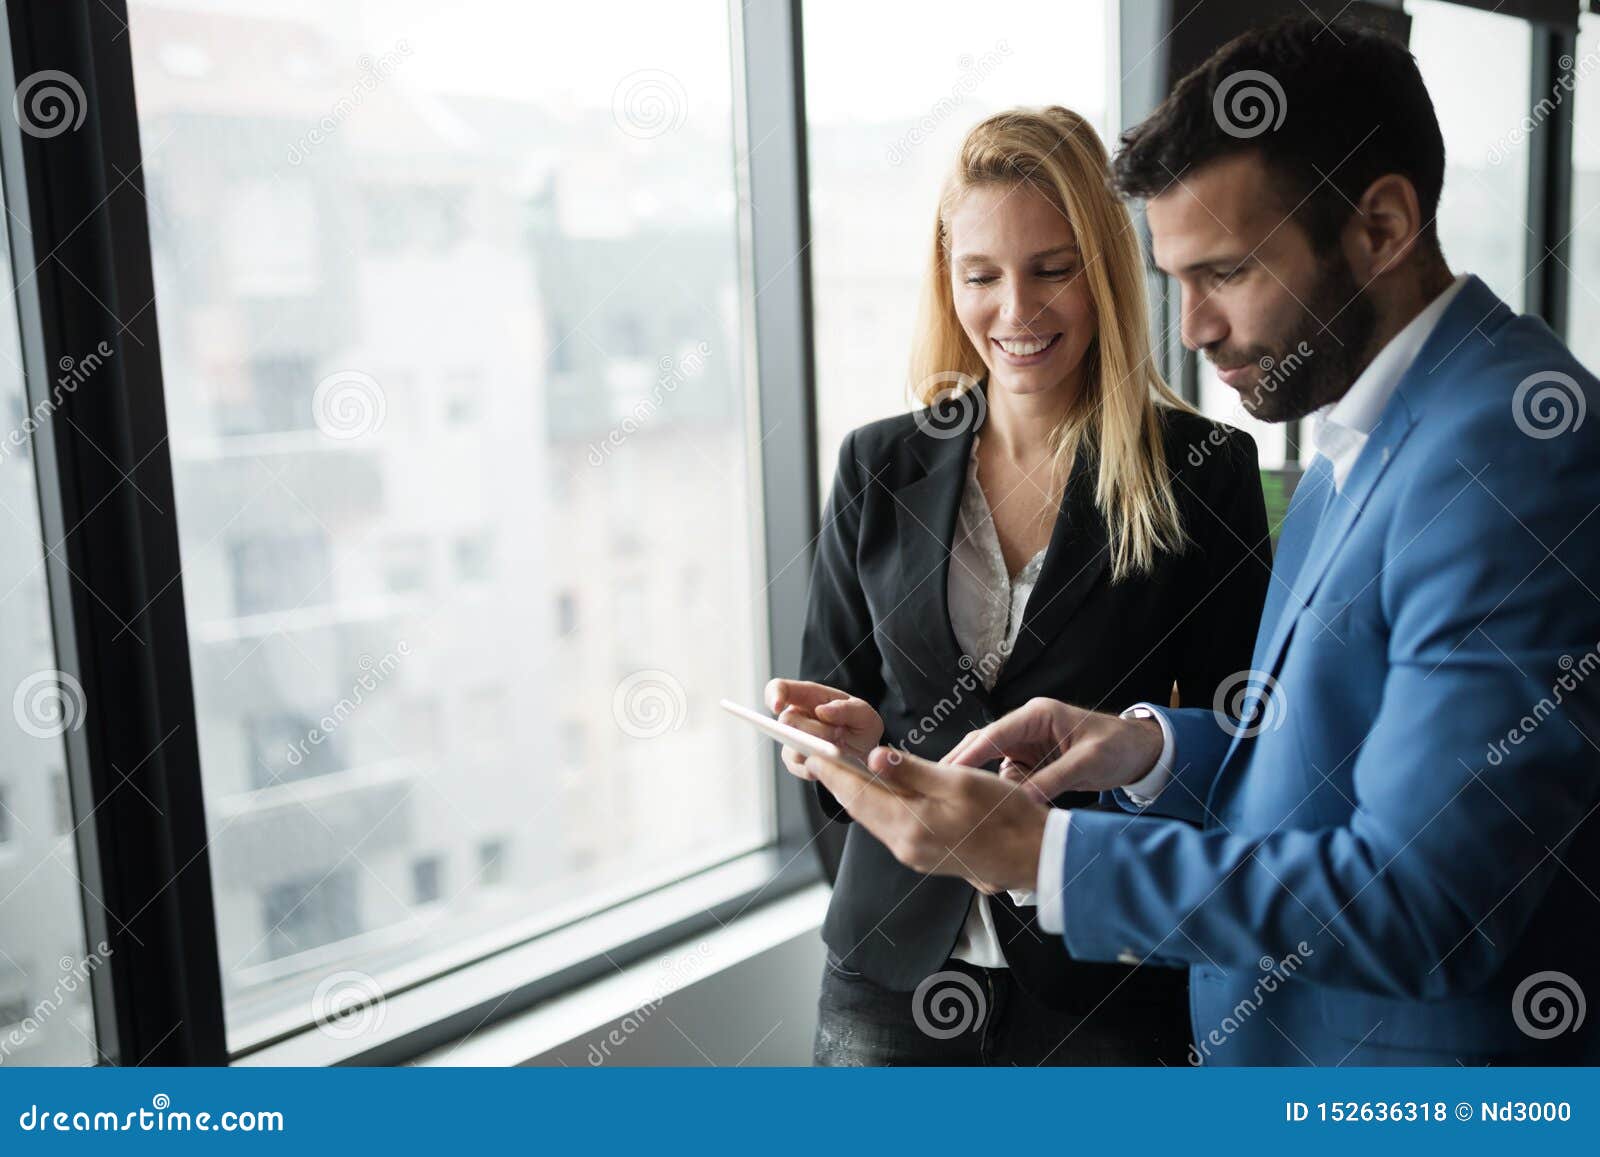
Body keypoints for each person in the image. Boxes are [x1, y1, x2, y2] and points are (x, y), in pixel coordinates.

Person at [805, 18, 1600, 1066]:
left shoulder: (1510, 452)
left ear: (1383, 224)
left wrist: (1044, 851)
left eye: (1225, 272)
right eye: (1176, 279)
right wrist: (1152, 746)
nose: (1190, 330)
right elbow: (1316, 766)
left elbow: (1426, 900)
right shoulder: (1349, 451)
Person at [768, 105, 1271, 1066]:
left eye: (1054, 268)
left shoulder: (1203, 469)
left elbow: (1237, 754)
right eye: (982, 276)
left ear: (1108, 271)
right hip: (892, 986)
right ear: (947, 278)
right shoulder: (877, 466)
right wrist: (861, 753)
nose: (1018, 311)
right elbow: (832, 735)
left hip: (1107, 988)